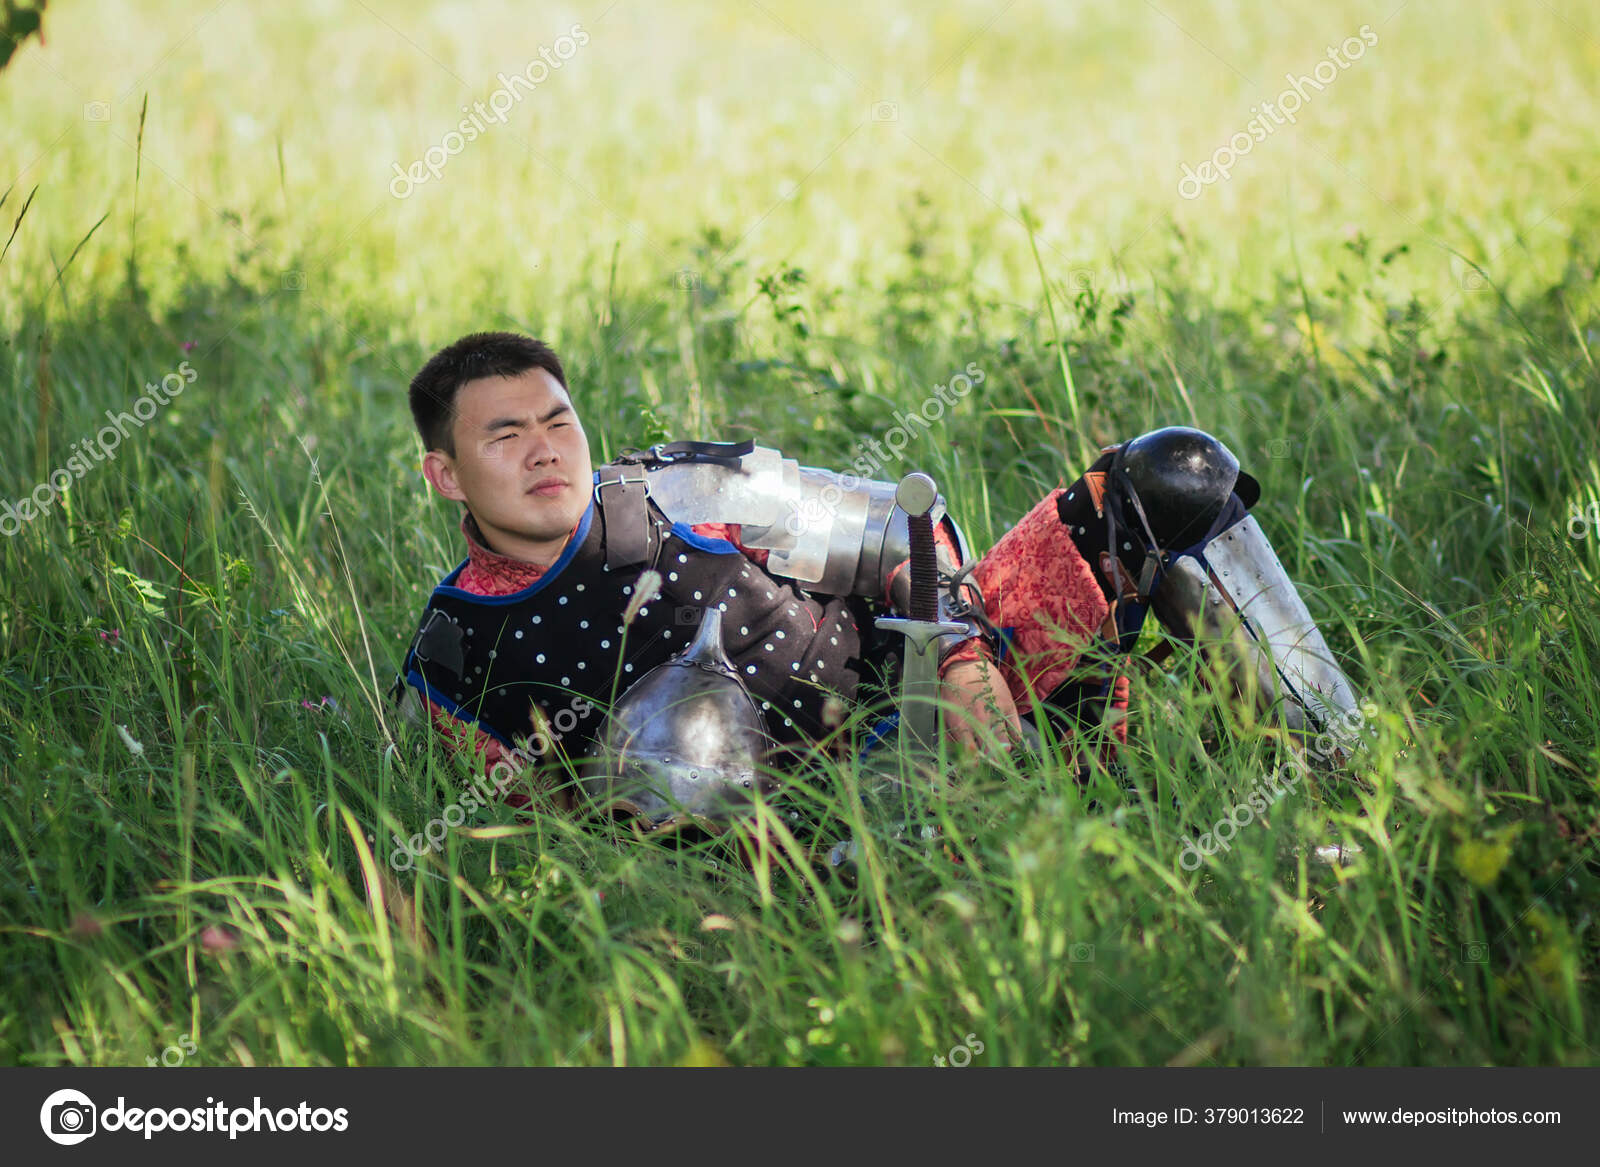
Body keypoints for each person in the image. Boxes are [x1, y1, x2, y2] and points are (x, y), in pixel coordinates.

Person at [392, 331, 1352, 828]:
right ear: (445, 476)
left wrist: (970, 668)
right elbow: (541, 854)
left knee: (1171, 477)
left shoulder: (684, 488)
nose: (545, 451)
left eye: (557, 421)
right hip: (825, 850)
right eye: (504, 435)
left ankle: (1346, 785)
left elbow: (909, 526)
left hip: (961, 702)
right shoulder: (454, 661)